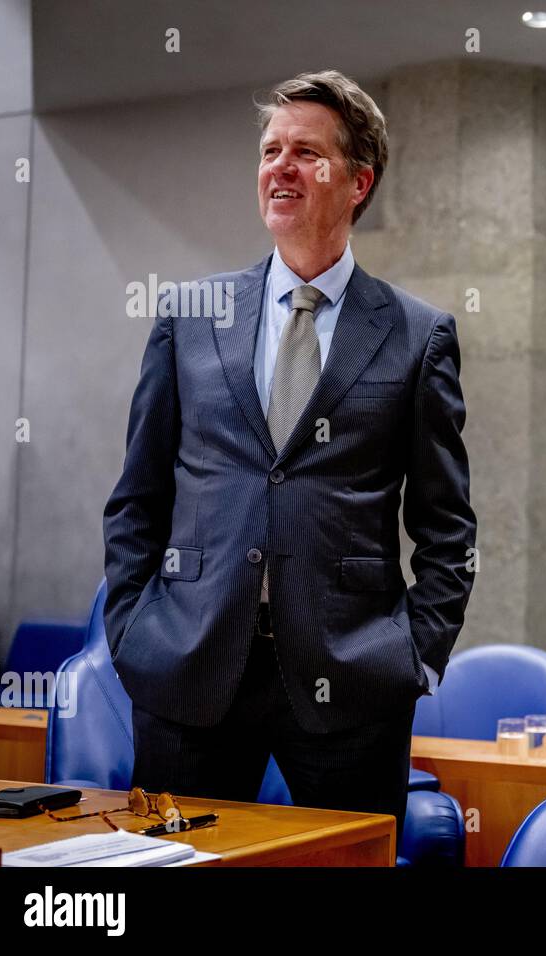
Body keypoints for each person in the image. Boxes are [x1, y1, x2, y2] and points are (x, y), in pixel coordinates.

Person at [103, 70, 476, 842]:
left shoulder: (418, 335)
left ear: (357, 181)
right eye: (271, 150)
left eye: (306, 152)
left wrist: (415, 656)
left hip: (353, 680)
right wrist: (133, 634)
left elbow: (447, 527)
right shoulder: (189, 315)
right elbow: (137, 495)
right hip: (187, 667)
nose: (279, 166)